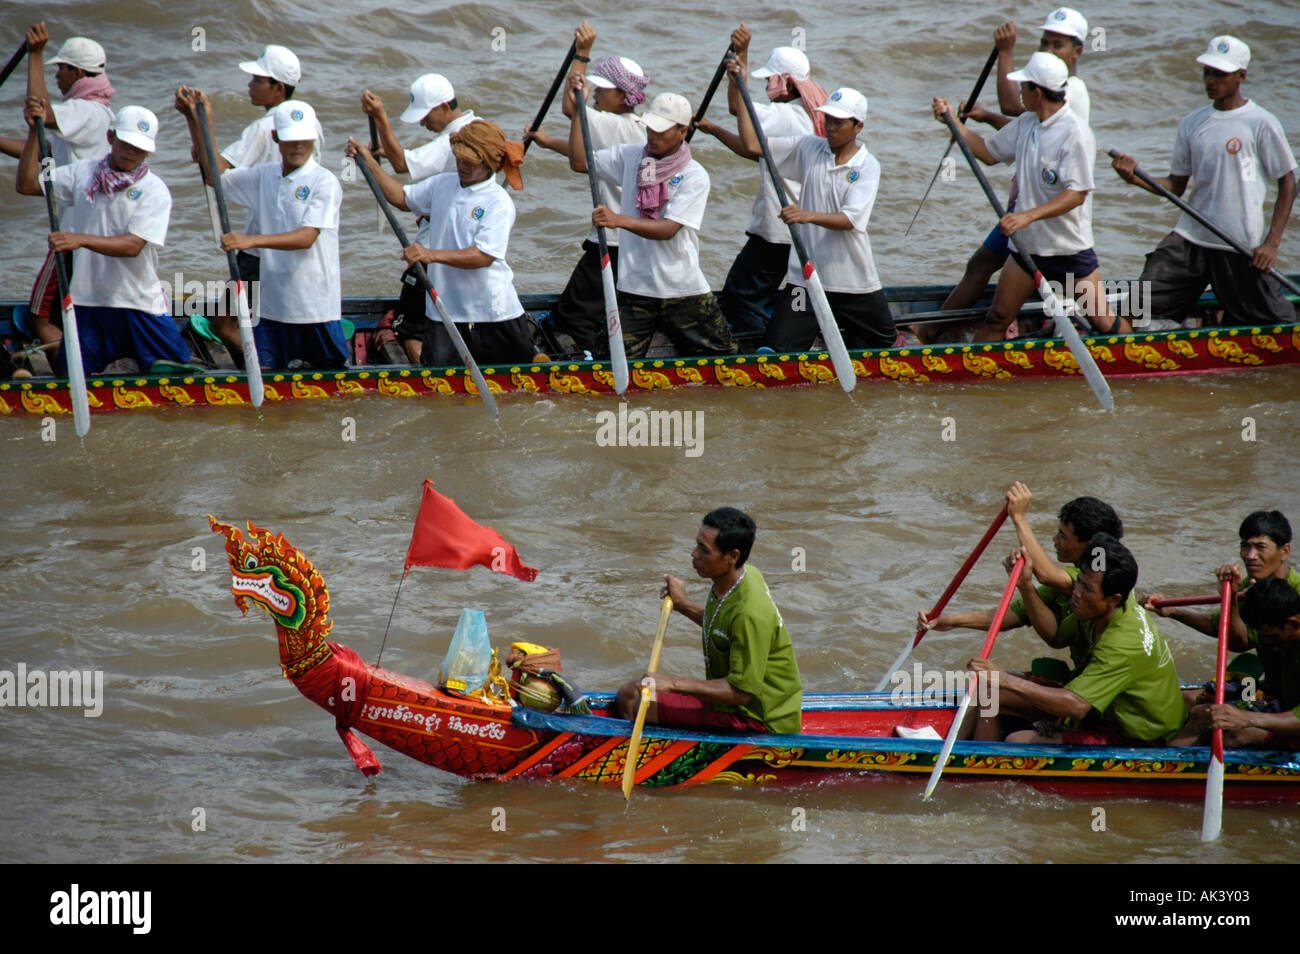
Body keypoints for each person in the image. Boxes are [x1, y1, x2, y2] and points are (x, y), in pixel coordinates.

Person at [932, 50, 1125, 342]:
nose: (1019, 92)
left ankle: (1137, 356)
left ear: (1037, 92)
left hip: (1068, 250)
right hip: (1027, 248)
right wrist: (952, 122)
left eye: (1024, 86)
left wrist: (1026, 216)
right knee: (998, 316)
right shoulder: (1027, 123)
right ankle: (974, 376)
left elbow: (1077, 194)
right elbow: (987, 152)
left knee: (1101, 321)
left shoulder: (1075, 133)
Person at [1111, 36, 1296, 328]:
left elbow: (1287, 182)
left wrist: (1271, 244)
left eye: (1220, 74)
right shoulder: (1192, 123)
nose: (1211, 80)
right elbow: (1175, 186)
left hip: (1237, 242)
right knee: (1136, 306)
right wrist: (1133, 177)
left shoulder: (1261, 122)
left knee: (1279, 321)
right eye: (1207, 72)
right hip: (1190, 238)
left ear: (1241, 76)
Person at [173, 46, 323, 365]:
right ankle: (266, 365)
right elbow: (212, 165)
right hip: (289, 244)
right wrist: (194, 121)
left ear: (278, 88)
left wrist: (202, 118)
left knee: (225, 325)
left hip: (259, 248)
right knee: (253, 320)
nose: (250, 85)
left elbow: (214, 174)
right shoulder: (309, 122)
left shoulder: (264, 127)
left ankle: (265, 369)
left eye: (257, 80)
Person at [15, 102, 189, 377]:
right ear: (111, 138)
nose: (132, 153)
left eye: (140, 149)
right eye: (127, 144)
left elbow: (133, 246)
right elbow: (26, 184)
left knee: (176, 367)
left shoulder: (154, 190)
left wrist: (80, 239)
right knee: (71, 373)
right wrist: (34, 134)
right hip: (88, 299)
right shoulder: (81, 172)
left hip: (137, 300)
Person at [347, 120, 540, 367]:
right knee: (439, 386)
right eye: (459, 160)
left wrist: (431, 255)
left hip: (491, 309)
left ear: (489, 164)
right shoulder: (443, 185)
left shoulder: (498, 202)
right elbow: (401, 198)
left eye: (469, 163)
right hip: (444, 309)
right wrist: (369, 162)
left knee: (522, 378)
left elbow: (484, 256)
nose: (461, 167)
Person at [968, 534, 1186, 745]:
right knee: (990, 696)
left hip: (1137, 736)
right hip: (1099, 710)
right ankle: (970, 760)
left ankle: (978, 775)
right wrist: (1025, 585)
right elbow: (1056, 637)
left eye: (1087, 589)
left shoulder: (1123, 644)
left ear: (1113, 599)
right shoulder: (1101, 604)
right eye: (1079, 582)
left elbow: (1076, 705)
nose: (1076, 594)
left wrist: (1006, 680)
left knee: (1017, 740)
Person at [731, 79, 895, 352]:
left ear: (858, 126)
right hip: (805, 281)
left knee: (886, 347)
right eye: (827, 120)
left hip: (852, 280)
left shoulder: (867, 166)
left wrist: (806, 216)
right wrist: (737, 83)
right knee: (775, 352)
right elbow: (751, 145)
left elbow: (850, 220)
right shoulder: (809, 148)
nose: (830, 128)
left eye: (839, 123)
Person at [615, 507, 802, 734]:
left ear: (732, 556)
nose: (694, 554)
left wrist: (673, 683)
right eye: (696, 545)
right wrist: (682, 604)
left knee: (635, 704)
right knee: (628, 692)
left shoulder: (750, 613)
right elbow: (722, 625)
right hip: (734, 703)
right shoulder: (739, 578)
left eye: (703, 550)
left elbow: (740, 693)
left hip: (757, 718)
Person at [523, 22, 648, 357]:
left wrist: (582, 56)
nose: (597, 93)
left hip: (611, 239)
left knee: (575, 313)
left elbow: (570, 108)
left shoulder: (607, 122)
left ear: (623, 97)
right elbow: (590, 153)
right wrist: (548, 143)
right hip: (635, 237)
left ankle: (579, 354)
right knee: (603, 301)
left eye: (604, 90)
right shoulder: (640, 126)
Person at [694, 24, 826, 336]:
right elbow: (757, 149)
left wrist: (742, 60)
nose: (767, 83)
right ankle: (773, 338)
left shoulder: (788, 116)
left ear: (788, 82)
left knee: (741, 297)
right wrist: (713, 129)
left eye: (770, 78)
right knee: (751, 293)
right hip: (789, 227)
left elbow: (745, 125)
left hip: (780, 227)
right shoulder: (801, 114)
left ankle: (766, 350)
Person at [920, 486, 1124, 680]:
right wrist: (947, 620)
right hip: (1082, 675)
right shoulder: (1075, 582)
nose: (1055, 540)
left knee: (991, 689)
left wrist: (1019, 517)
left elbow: (1046, 574)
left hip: (1102, 683)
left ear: (1089, 546)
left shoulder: (1098, 580)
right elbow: (1009, 618)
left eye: (1063, 535)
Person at [1, 24, 115, 352]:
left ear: (77, 72)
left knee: (41, 316)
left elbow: (41, 114)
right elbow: (37, 148)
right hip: (91, 229)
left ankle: (76, 368)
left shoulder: (85, 111)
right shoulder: (96, 113)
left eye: (60, 69)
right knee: (73, 308)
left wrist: (35, 56)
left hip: (73, 232)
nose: (57, 76)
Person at [361, 73, 479, 362]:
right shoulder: (477, 128)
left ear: (443, 107)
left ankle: (429, 387)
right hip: (464, 245)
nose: (423, 123)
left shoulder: (454, 138)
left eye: (426, 116)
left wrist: (380, 118)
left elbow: (403, 165)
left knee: (407, 331)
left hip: (435, 247)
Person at [1177, 578, 1300, 749]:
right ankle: (1168, 761)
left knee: (1238, 735)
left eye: (1271, 637)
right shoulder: (1272, 623)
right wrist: (1232, 598)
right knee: (1201, 712)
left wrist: (1245, 718)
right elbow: (1236, 640)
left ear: (1294, 623)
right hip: (1279, 703)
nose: (1266, 642)